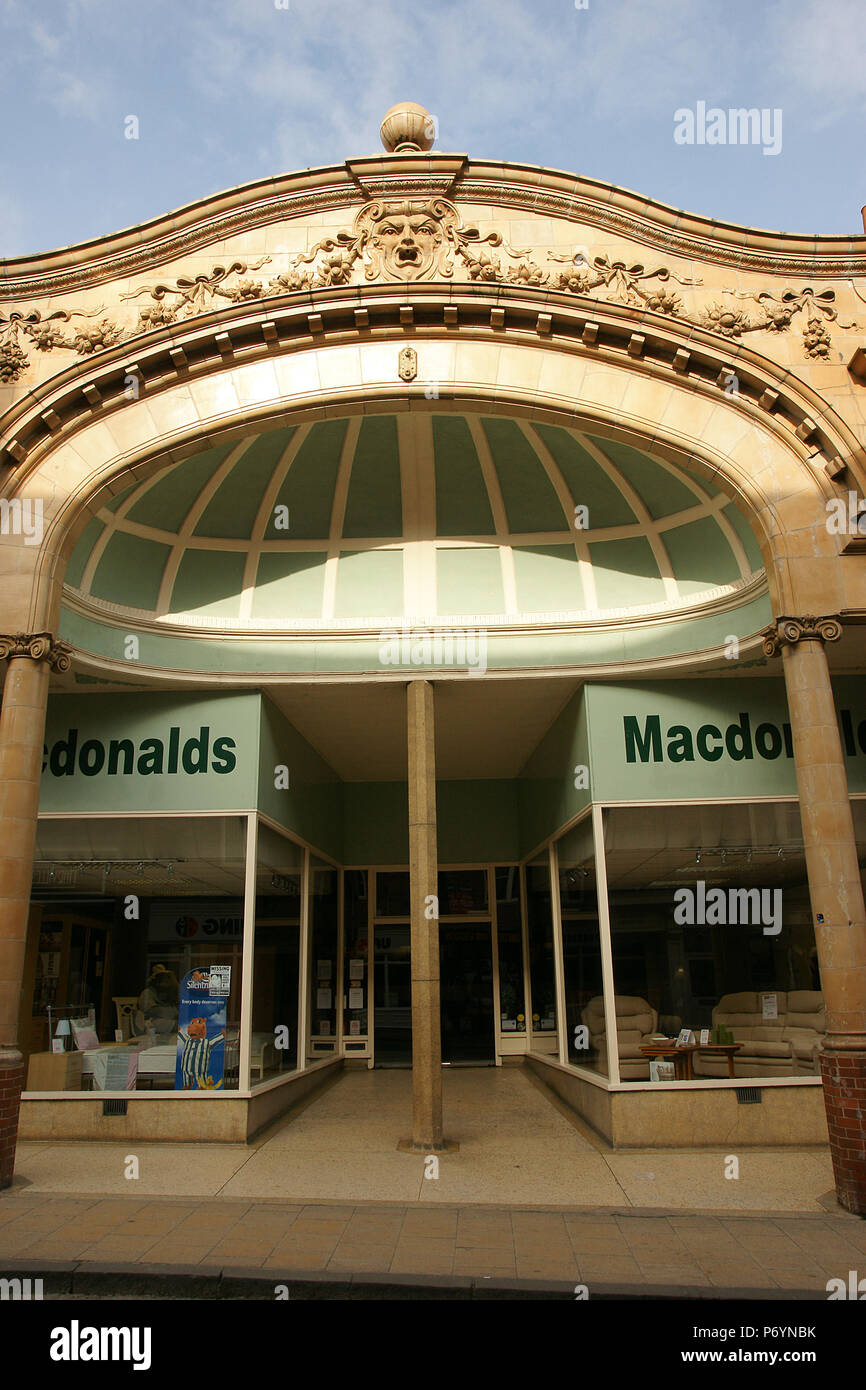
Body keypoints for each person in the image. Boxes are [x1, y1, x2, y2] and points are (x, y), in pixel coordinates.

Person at [137, 964, 179, 1037]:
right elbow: (152, 1012)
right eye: (163, 979)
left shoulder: (170, 993)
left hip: (169, 1020)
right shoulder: (147, 993)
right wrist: (174, 1011)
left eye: (168, 979)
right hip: (150, 1022)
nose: (166, 982)